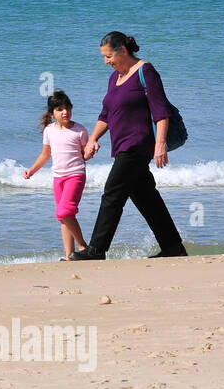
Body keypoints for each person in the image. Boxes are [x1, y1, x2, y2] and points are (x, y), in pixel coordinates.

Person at [70, 32, 187, 260]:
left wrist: (160, 144)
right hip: (121, 145)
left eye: (109, 56)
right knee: (146, 197)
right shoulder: (114, 78)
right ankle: (173, 247)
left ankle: (96, 249)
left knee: (112, 194)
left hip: (138, 144)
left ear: (123, 50)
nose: (106, 62)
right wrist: (93, 138)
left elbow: (160, 111)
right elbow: (106, 114)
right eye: (104, 57)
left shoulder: (146, 71)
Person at [23, 90, 90, 260]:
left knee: (65, 210)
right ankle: (69, 255)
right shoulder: (49, 131)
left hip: (75, 175)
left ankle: (82, 246)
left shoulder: (79, 130)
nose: (65, 112)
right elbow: (45, 154)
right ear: (52, 113)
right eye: (60, 109)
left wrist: (91, 150)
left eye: (67, 108)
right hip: (58, 177)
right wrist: (32, 170)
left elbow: (85, 155)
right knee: (63, 216)